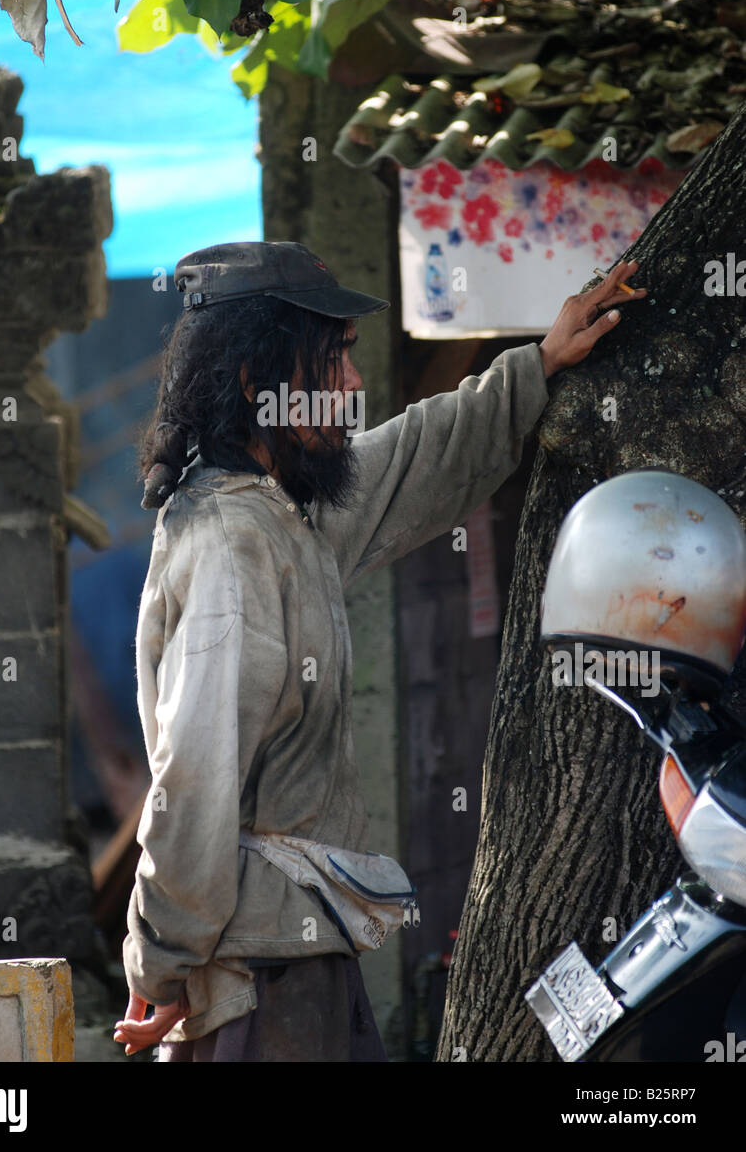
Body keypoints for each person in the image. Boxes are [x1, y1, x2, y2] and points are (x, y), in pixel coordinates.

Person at [113, 241, 646, 1062]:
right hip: (261, 977)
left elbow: (411, 461)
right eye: (332, 365)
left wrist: (538, 362)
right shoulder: (233, 546)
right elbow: (194, 782)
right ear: (261, 385)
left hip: (291, 959)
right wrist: (161, 965)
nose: (354, 389)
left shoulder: (277, 512)